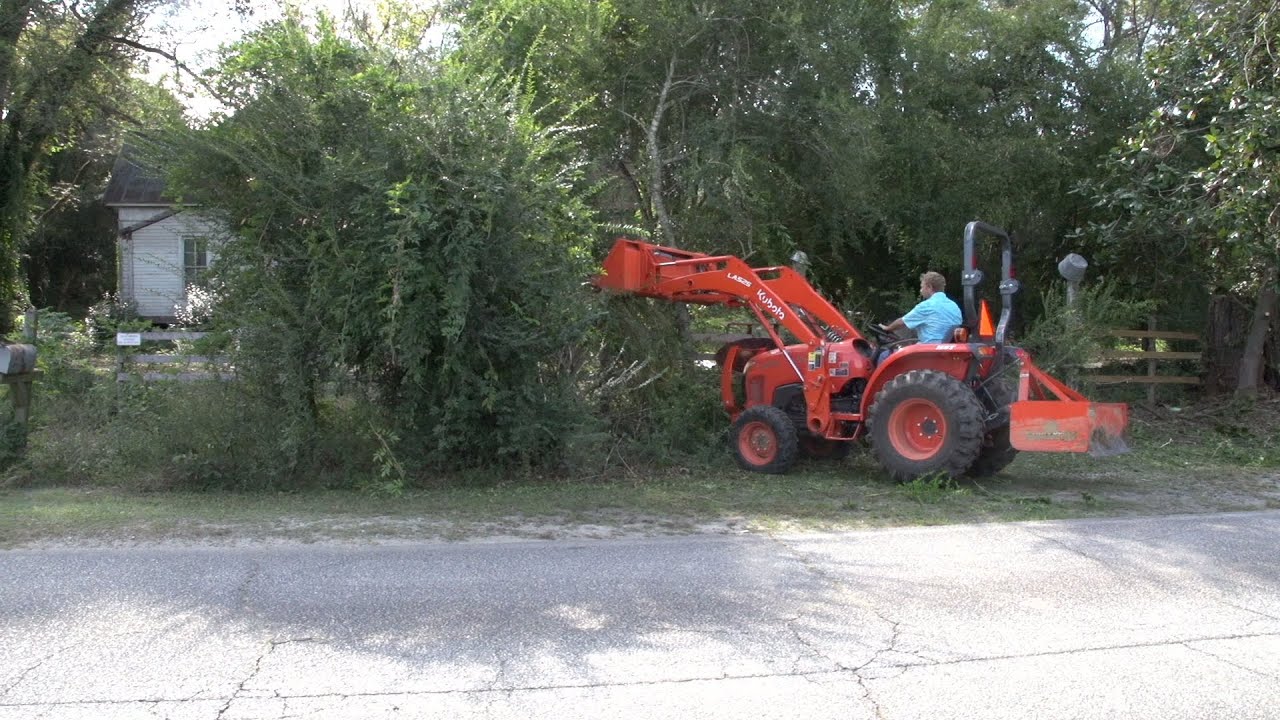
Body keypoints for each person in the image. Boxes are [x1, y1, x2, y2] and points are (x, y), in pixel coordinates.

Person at [877, 271, 962, 363]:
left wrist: (887, 328)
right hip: (947, 350)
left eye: (922, 287)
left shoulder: (927, 306)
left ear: (929, 287)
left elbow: (902, 322)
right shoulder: (954, 306)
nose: (921, 290)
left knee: (884, 356)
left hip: (928, 351)